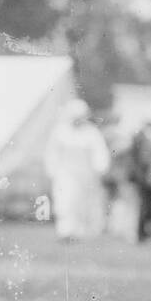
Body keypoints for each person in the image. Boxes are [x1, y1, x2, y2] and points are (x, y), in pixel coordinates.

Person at [43, 98, 110, 240]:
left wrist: (100, 167)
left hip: (86, 173)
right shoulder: (60, 131)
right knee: (64, 201)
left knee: (82, 203)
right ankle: (65, 231)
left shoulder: (91, 132)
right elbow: (52, 152)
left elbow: (99, 152)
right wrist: (52, 170)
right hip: (65, 173)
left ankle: (79, 231)